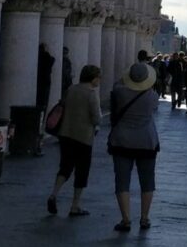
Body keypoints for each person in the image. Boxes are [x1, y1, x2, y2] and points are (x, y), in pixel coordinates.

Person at [106, 62, 162, 232]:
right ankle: (144, 218)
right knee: (147, 181)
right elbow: (153, 109)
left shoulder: (119, 91)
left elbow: (116, 86)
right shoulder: (152, 96)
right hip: (146, 141)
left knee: (122, 181)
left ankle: (126, 219)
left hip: (122, 141)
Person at [47, 65, 102, 217]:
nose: (100, 80)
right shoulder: (91, 94)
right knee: (82, 171)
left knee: (65, 167)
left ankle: (54, 194)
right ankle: (75, 205)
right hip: (83, 137)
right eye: (99, 77)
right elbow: (97, 118)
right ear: (93, 78)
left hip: (65, 134)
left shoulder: (71, 89)